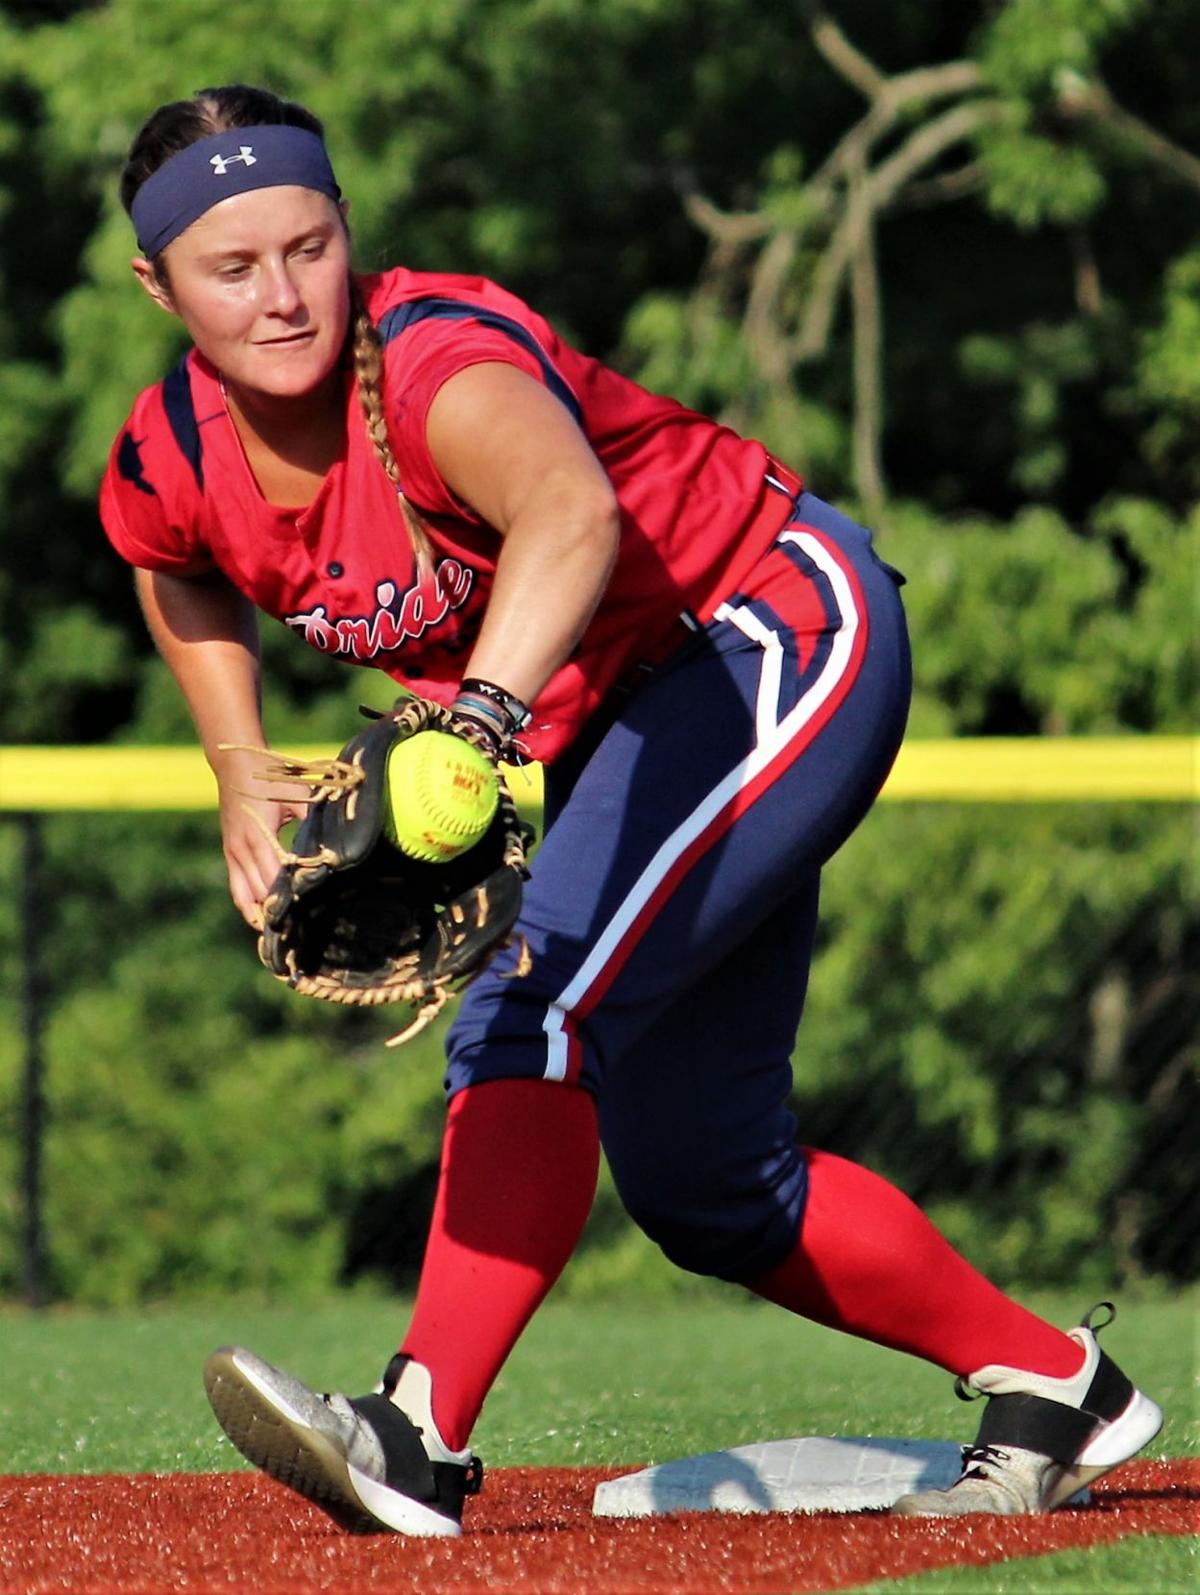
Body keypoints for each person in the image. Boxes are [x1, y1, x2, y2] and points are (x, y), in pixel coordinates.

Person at [101, 85, 1162, 1535]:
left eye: (309, 247)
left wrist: (475, 726)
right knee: (709, 1180)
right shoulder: (171, 444)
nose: (283, 296)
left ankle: (414, 1439)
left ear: (348, 230)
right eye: (232, 268)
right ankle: (1057, 1387)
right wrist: (234, 758)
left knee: (532, 1007)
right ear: (158, 285)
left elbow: (572, 512)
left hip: (767, 628)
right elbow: (170, 557)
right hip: (631, 714)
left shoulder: (431, 366)